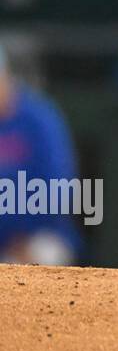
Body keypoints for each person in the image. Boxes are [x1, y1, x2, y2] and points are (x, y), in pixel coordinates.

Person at [0, 44, 81, 266]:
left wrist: (23, 235)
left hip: (40, 236)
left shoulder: (39, 117)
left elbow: (60, 187)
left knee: (41, 256)